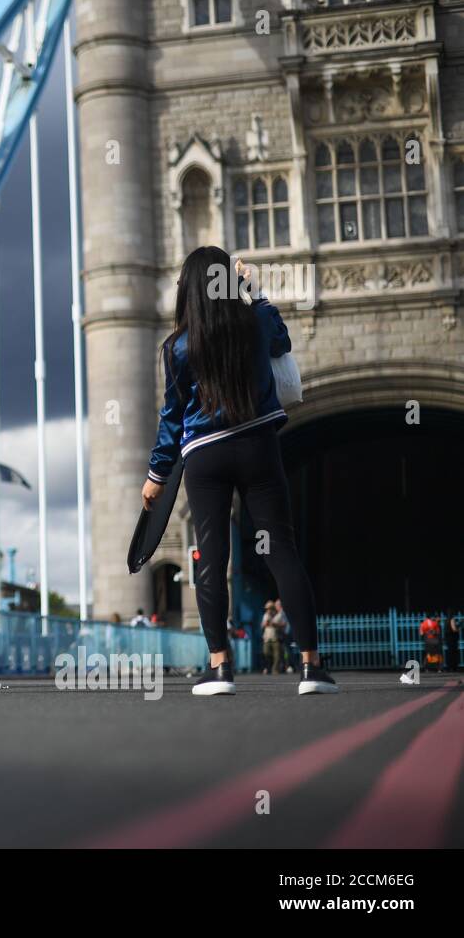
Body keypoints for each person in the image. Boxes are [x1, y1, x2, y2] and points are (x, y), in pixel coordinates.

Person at [142, 247, 336, 697]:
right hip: (258, 445)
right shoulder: (253, 324)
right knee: (282, 552)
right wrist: (256, 292)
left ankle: (219, 669)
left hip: (205, 458)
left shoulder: (176, 347)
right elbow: (282, 343)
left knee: (211, 560)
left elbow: (172, 419)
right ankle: (311, 668)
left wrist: (156, 475)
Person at [261, 599, 286, 675]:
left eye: (269, 608)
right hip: (267, 638)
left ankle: (275, 669)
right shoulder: (265, 616)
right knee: (266, 653)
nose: (268, 610)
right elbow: (262, 625)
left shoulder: (279, 615)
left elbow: (284, 624)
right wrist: (265, 624)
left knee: (277, 655)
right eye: (267, 609)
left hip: (276, 638)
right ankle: (268, 667)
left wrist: (275, 624)